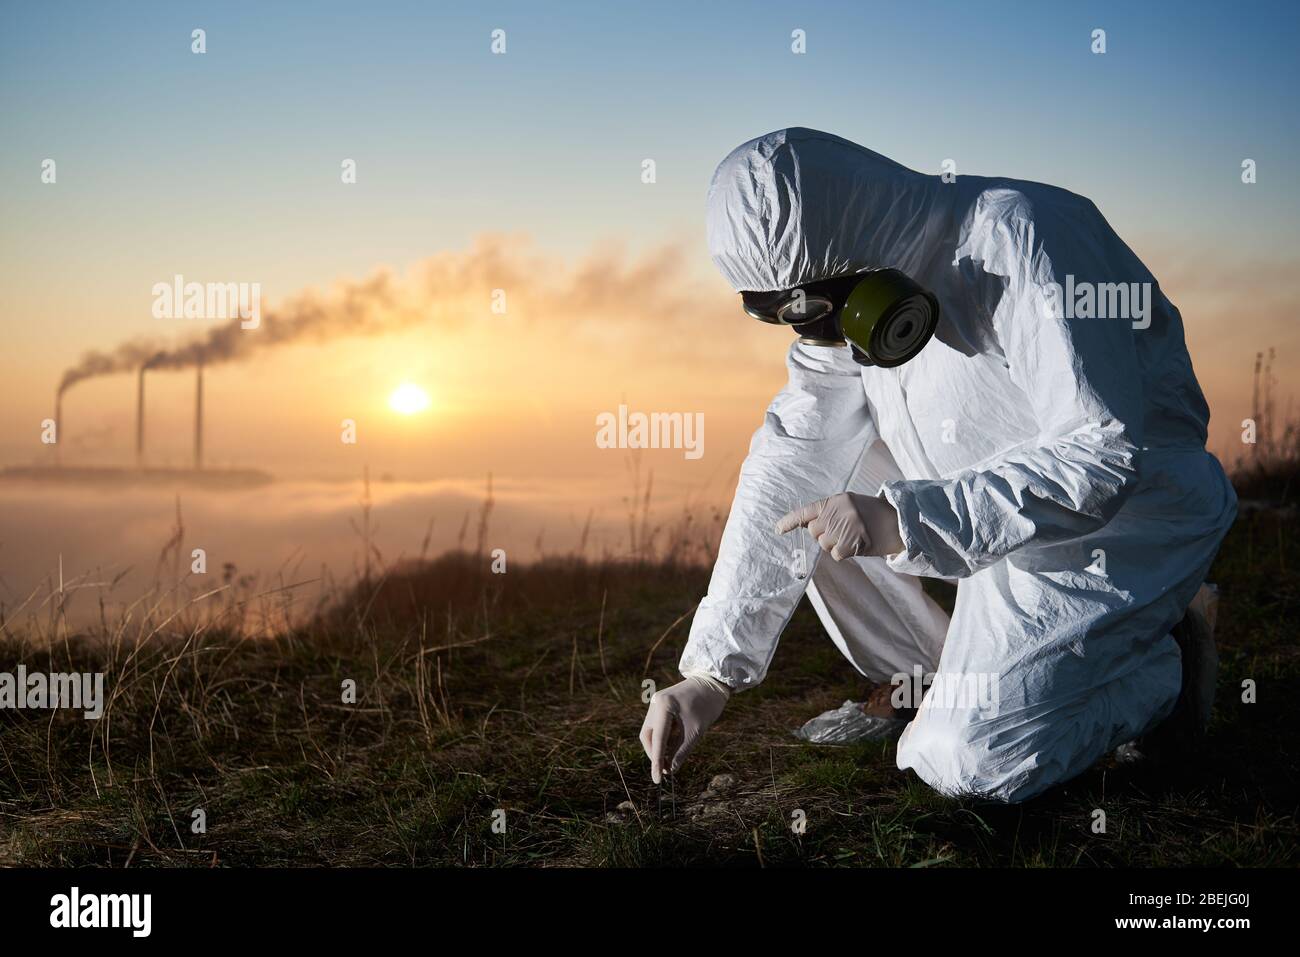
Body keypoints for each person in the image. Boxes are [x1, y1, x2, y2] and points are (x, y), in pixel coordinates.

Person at [639, 128, 1236, 803]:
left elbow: (1102, 452)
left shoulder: (1026, 240)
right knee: (814, 488)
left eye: (825, 308)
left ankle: (1163, 667)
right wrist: (710, 676)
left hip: (1116, 526)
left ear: (860, 241)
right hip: (974, 512)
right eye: (793, 318)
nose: (830, 336)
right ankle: (931, 676)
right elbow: (792, 460)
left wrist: (905, 520)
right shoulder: (852, 287)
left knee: (969, 761)